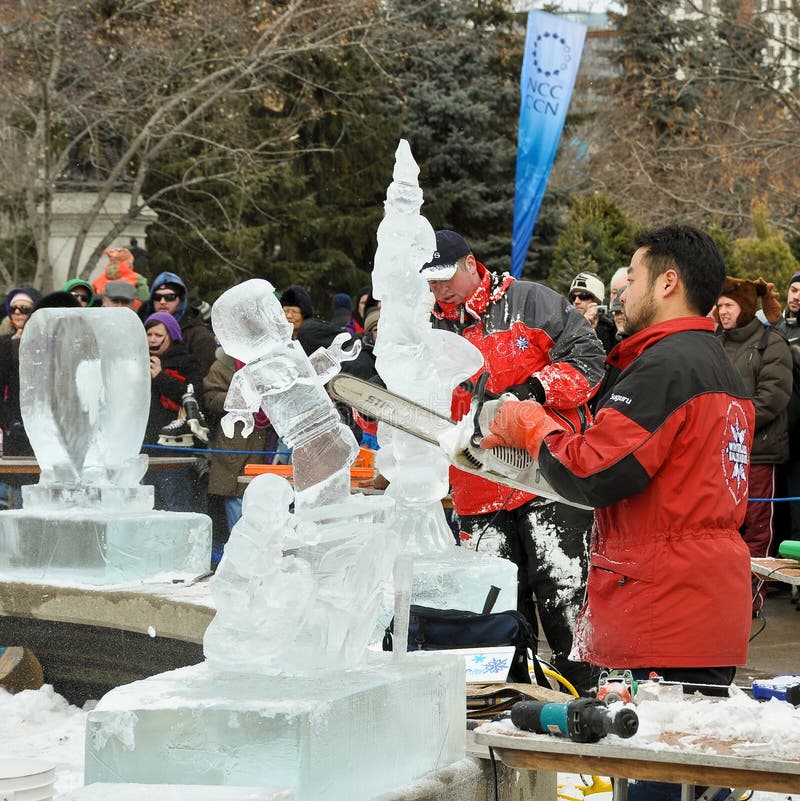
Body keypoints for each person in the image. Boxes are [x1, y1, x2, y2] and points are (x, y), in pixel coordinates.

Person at [481, 224, 755, 800]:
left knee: (659, 781)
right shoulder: (716, 364)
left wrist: (531, 426)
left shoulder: (668, 366)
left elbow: (593, 472)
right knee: (697, 779)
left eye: (632, 276)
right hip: (699, 604)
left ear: (668, 282)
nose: (621, 291)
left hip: (664, 612)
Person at [422, 229, 606, 693]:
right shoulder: (424, 328)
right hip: (476, 483)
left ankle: (584, 697)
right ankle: (509, 703)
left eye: (446, 277)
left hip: (546, 474)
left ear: (469, 263)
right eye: (431, 282)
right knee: (495, 605)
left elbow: (589, 358)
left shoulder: (529, 301)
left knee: (564, 593)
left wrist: (538, 390)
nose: (440, 290)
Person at [715, 276, 791, 615]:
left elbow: (774, 396)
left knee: (758, 526)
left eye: (728, 306)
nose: (723, 312)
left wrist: (732, 424)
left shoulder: (770, 343)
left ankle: (750, 595)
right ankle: (723, 592)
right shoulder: (715, 342)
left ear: (744, 307)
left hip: (759, 450)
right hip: (719, 451)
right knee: (723, 524)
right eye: (719, 306)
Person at [203, 346, 282, 567]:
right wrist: (243, 397)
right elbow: (211, 398)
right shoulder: (225, 363)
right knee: (237, 503)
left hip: (268, 443)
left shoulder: (274, 361)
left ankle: (263, 560)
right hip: (235, 445)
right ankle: (240, 562)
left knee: (266, 502)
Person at [141, 312, 205, 512]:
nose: (152, 340)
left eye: (158, 335)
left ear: (173, 335)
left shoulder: (187, 361)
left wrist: (160, 376)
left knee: (175, 505)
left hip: (175, 450)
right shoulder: (137, 360)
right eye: (148, 334)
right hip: (146, 448)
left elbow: (193, 398)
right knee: (149, 506)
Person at [0, 287, 42, 508]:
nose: (17, 313)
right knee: (15, 481)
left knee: (38, 476)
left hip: (40, 417)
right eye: (13, 309)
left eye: (24, 309)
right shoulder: (5, 344)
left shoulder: (45, 343)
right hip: (15, 419)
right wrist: (7, 420)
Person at [139, 272, 217, 377]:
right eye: (157, 297)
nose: (162, 301)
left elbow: (203, 378)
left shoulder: (199, 335)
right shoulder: (140, 326)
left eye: (169, 297)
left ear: (180, 299)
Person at [569, 271, 616, 354]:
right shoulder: (566, 326)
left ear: (596, 301)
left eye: (583, 296)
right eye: (573, 297)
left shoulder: (610, 329)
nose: (576, 301)